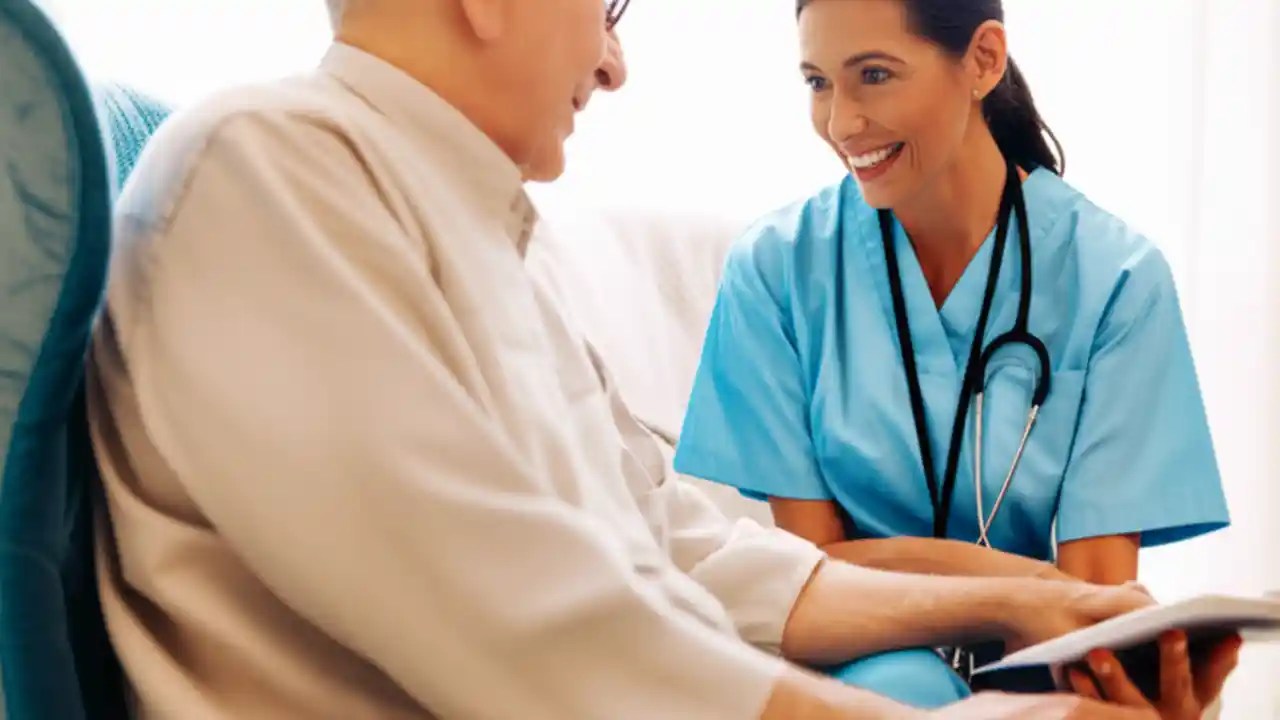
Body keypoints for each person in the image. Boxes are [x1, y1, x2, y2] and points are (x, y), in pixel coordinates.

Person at [86, 0, 1236, 717]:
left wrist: (1029, 609)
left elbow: (692, 556)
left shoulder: (474, 247)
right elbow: (543, 631)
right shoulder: (271, 173)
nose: (613, 62)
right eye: (608, 3)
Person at [676, 0, 1226, 637]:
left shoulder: (1116, 280)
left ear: (983, 60)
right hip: (854, 661)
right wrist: (1037, 586)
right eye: (817, 82)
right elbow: (804, 573)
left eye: (874, 75)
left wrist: (1044, 600)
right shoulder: (777, 271)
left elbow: (1098, 609)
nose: (840, 122)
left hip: (1041, 669)